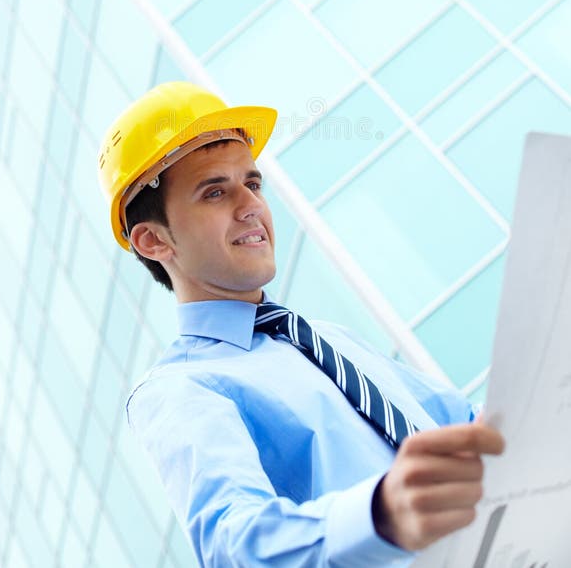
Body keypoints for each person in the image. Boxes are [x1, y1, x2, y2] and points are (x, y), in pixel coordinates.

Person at [98, 81, 504, 566]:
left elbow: (470, 427)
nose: (251, 206)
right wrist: (379, 515)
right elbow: (234, 542)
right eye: (214, 192)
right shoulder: (178, 389)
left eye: (251, 183)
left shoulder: (330, 341)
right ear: (152, 241)